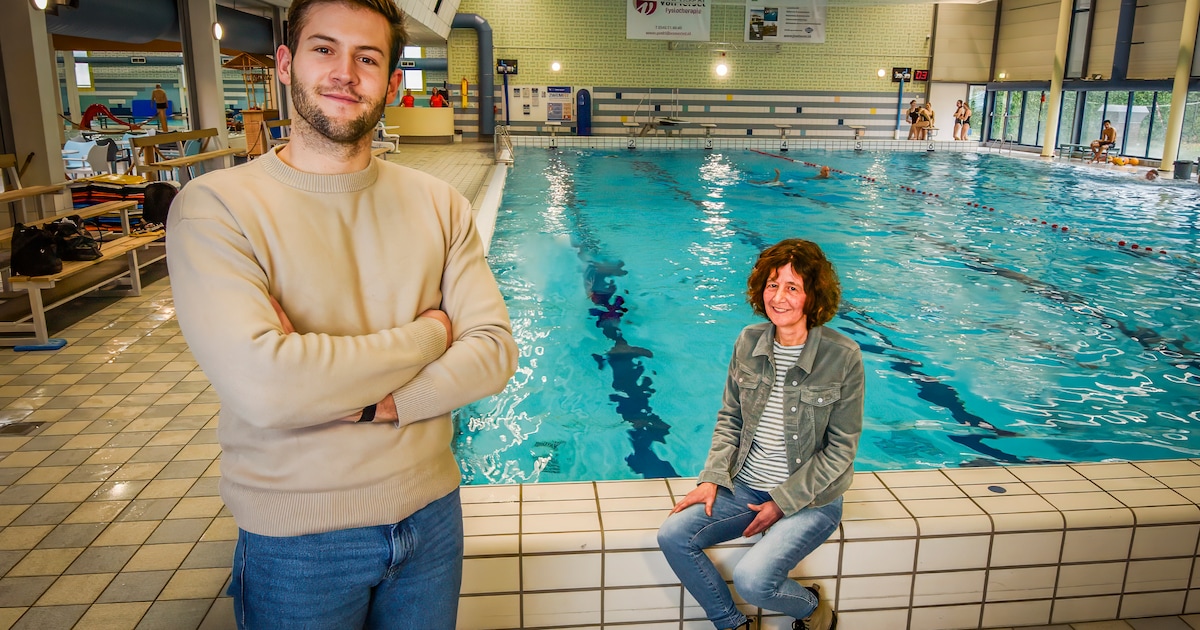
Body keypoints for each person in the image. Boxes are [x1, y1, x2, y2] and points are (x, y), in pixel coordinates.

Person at [165, 0, 519, 628]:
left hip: (432, 515)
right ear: (285, 63)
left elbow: (492, 352)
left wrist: (373, 402)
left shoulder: (439, 205)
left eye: (368, 57)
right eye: (323, 49)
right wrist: (430, 333)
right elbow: (268, 388)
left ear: (391, 82)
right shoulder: (217, 207)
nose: (344, 72)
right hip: (297, 539)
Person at [658, 239, 864, 630]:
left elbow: (841, 451)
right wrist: (712, 477)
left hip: (812, 498)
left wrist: (783, 502)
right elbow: (730, 418)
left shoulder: (843, 355)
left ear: (812, 295)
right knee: (673, 536)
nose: (779, 298)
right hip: (746, 487)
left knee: (754, 580)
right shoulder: (748, 341)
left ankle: (812, 609)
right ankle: (733, 625)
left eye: (792, 287)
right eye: (772, 285)